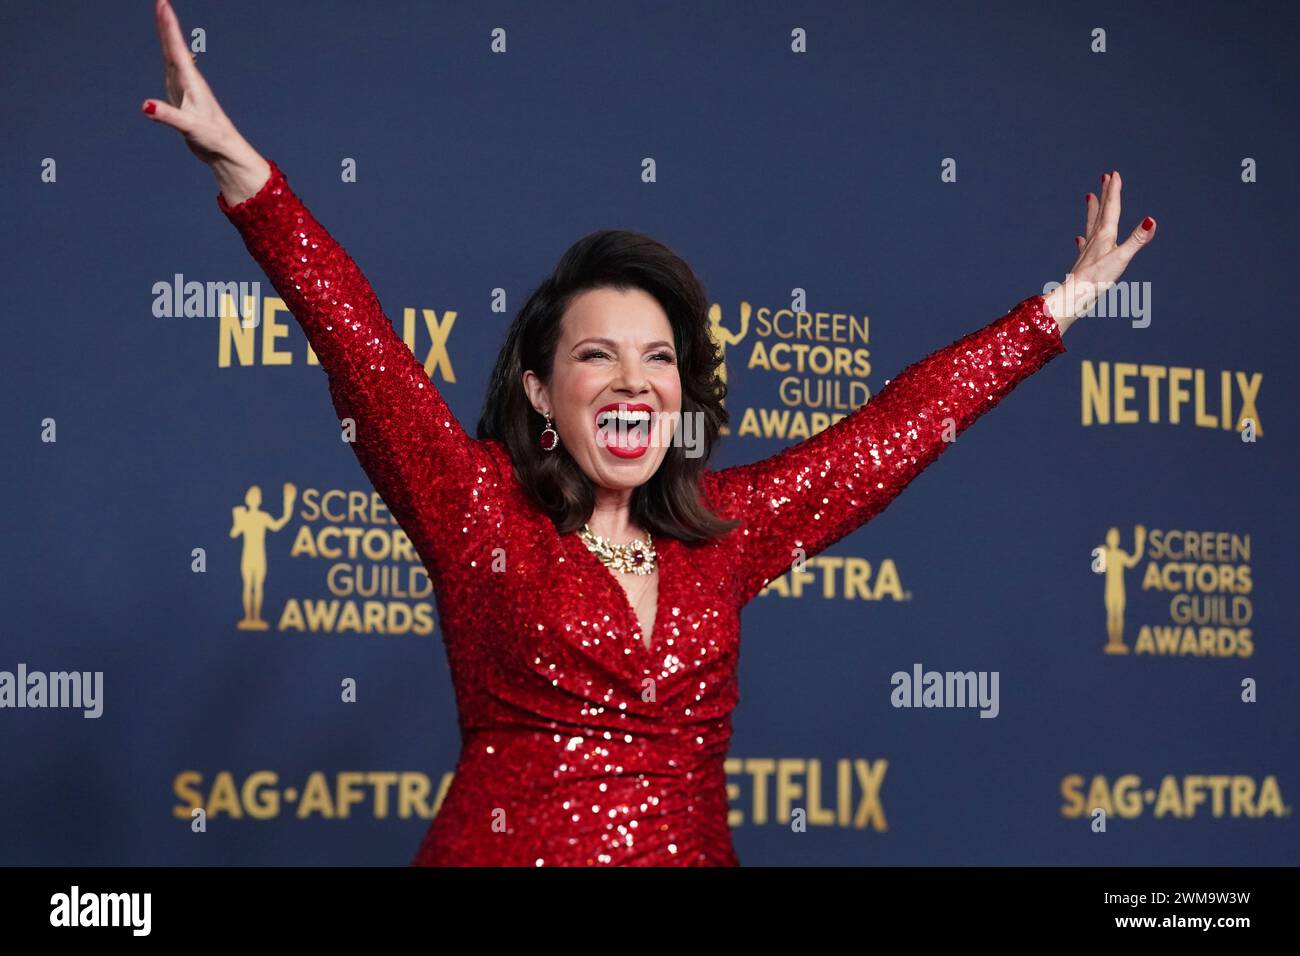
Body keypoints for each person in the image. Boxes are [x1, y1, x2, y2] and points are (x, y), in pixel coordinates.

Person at [142, 0, 1157, 865]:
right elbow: (364, 351)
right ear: (540, 392)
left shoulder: (726, 531)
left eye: (658, 358)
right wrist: (248, 177)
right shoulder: (474, 506)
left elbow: (896, 430)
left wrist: (1056, 308)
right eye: (598, 356)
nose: (633, 381)